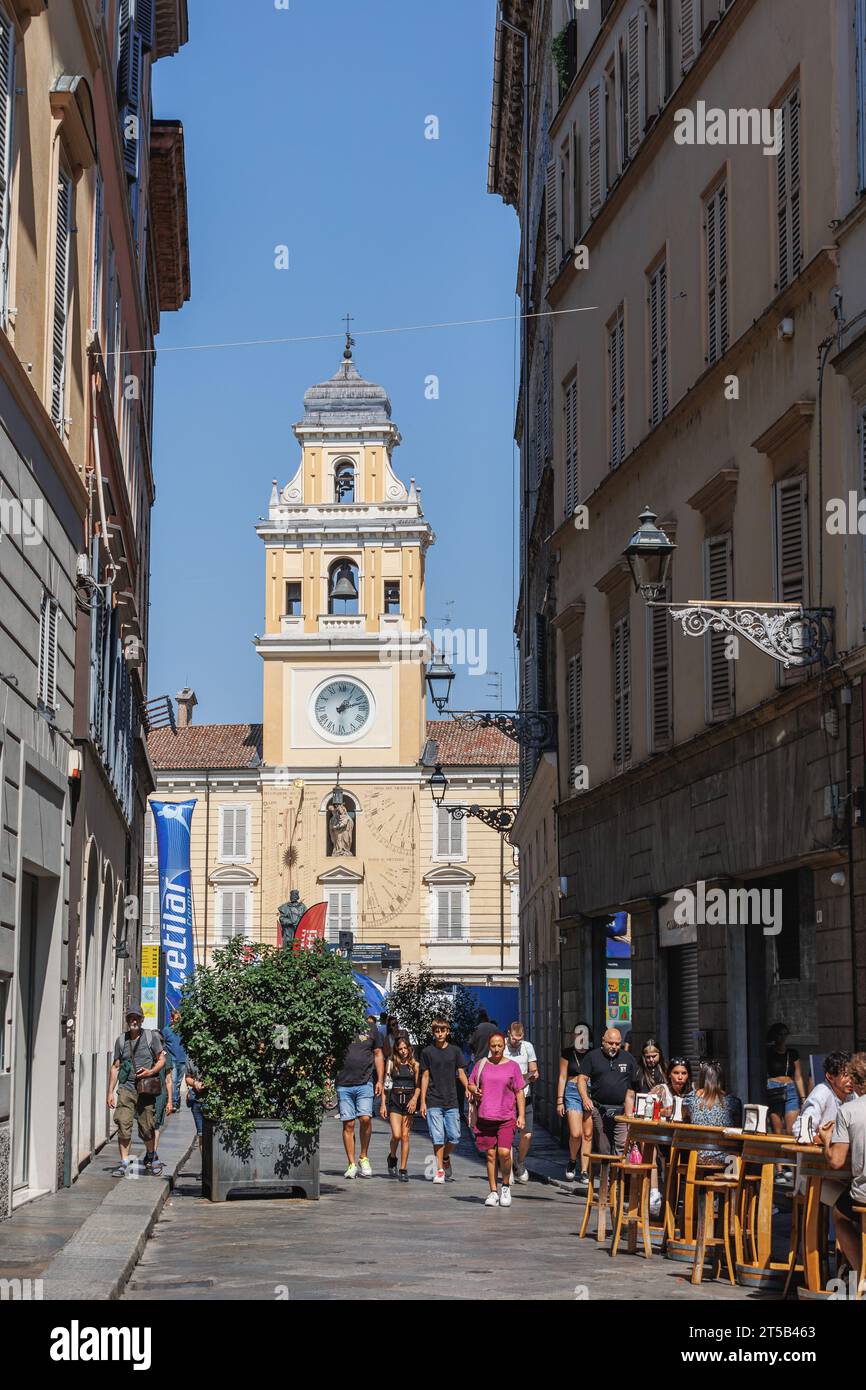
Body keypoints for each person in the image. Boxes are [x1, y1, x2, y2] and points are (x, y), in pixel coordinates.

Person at [819, 1051, 866, 1280]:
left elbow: (837, 1161)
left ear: (856, 1082)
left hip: (864, 1194)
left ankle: (862, 1273)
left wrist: (827, 1139)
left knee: (839, 1214)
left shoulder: (848, 1111)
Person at [467, 1032, 526, 1207]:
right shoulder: (482, 1064)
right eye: (493, 1045)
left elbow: (519, 1091)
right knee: (491, 1155)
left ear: (504, 1046)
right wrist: (474, 1090)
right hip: (486, 1116)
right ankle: (493, 1191)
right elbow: (471, 1082)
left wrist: (521, 1115)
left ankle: (505, 1186)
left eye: (500, 1045)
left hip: (506, 1116)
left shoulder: (513, 1067)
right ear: (489, 1046)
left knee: (504, 1153)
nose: (496, 1049)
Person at [107, 1006, 166, 1177]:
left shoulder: (151, 1037)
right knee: (123, 1123)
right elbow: (116, 1067)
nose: (133, 1021)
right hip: (126, 1088)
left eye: (137, 1018)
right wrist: (110, 1092)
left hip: (146, 1090)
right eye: (131, 1018)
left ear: (142, 1020)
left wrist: (151, 1072)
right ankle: (125, 1162)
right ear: (127, 1021)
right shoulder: (121, 1041)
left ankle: (151, 1155)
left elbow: (162, 1059)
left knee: (147, 1127)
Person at [419, 1016, 469, 1184]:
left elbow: (461, 1072)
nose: (439, 1034)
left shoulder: (455, 1051)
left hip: (452, 1100)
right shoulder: (427, 1052)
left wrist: (469, 1088)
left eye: (442, 1030)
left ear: (448, 1031)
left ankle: (446, 1156)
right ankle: (439, 1169)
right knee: (437, 1136)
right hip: (433, 1100)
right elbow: (425, 1076)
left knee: (454, 1136)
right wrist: (423, 1101)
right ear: (433, 1032)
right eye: (436, 1031)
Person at [576, 1027, 640, 1156]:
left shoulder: (628, 1058)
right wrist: (585, 1098)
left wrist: (630, 1114)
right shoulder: (592, 1057)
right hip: (600, 1109)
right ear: (603, 1041)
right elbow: (582, 1079)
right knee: (603, 1147)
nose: (614, 1047)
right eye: (611, 1043)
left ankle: (618, 1176)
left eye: (617, 1044)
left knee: (622, 1146)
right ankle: (605, 1175)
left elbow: (633, 1088)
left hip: (621, 1111)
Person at [335, 1019, 384, 1179]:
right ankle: (351, 1164)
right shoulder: (340, 1025)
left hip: (365, 1081)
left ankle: (363, 1156)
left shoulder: (371, 1028)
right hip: (344, 1082)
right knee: (348, 1123)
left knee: (365, 1118)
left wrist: (380, 1080)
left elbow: (378, 1054)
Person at [503, 1021, 539, 1184]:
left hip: (524, 1096)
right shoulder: (500, 1046)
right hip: (505, 1097)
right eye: (514, 1039)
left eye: (520, 1038)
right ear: (508, 1033)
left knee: (527, 1135)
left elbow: (534, 1069)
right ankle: (508, 1170)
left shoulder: (527, 1047)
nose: (517, 1042)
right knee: (508, 1136)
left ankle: (520, 1161)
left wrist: (533, 1075)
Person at [380, 1035, 420, 1182]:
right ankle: (392, 1156)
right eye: (400, 1049)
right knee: (396, 1135)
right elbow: (386, 1085)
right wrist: (383, 1104)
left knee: (405, 1136)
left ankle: (403, 1169)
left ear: (409, 1049)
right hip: (395, 1100)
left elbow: (418, 1087)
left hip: (409, 1102)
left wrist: (415, 1100)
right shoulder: (391, 1063)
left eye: (405, 1048)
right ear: (396, 1050)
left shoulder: (415, 1065)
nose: (403, 1051)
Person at [557, 1023, 593, 1185]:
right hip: (572, 1092)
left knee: (588, 1133)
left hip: (590, 1092)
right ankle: (572, 1160)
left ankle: (584, 1170)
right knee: (576, 1133)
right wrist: (559, 1100)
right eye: (578, 1033)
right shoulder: (567, 1053)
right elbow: (563, 1076)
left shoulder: (594, 1053)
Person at [794, 1051, 853, 1143]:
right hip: (819, 1156)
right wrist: (828, 1144)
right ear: (830, 1077)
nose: (851, 1080)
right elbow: (801, 1131)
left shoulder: (853, 1095)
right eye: (846, 1075)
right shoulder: (821, 1093)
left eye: (853, 1074)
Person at [689, 1059, 739, 1166]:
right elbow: (737, 1130)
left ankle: (687, 1180)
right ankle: (734, 1179)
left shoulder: (691, 1101)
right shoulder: (733, 1102)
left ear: (701, 1079)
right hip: (728, 1159)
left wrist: (696, 1091)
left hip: (698, 1158)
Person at [766, 1022, 806, 1135]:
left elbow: (798, 1076)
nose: (783, 1037)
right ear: (774, 1035)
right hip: (774, 1088)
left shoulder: (792, 1053)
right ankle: (779, 1153)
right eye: (780, 1034)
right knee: (777, 1131)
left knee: (791, 1130)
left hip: (790, 1088)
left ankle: (790, 1153)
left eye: (785, 1034)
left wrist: (803, 1098)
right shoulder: (768, 1052)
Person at [161, 1007, 187, 1111]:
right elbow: (162, 1043)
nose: (178, 1022)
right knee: (174, 1080)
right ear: (171, 1019)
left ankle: (175, 1100)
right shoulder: (166, 1030)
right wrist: (165, 1054)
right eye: (177, 1020)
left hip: (182, 1059)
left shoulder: (182, 1030)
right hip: (172, 1059)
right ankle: (175, 1103)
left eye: (179, 1020)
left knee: (178, 1082)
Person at [185, 1058, 207, 1150]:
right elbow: (187, 1077)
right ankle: (205, 1163)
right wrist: (195, 1083)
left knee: (213, 1134)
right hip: (196, 1101)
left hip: (212, 1101)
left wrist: (207, 1084)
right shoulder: (191, 1057)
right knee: (201, 1134)